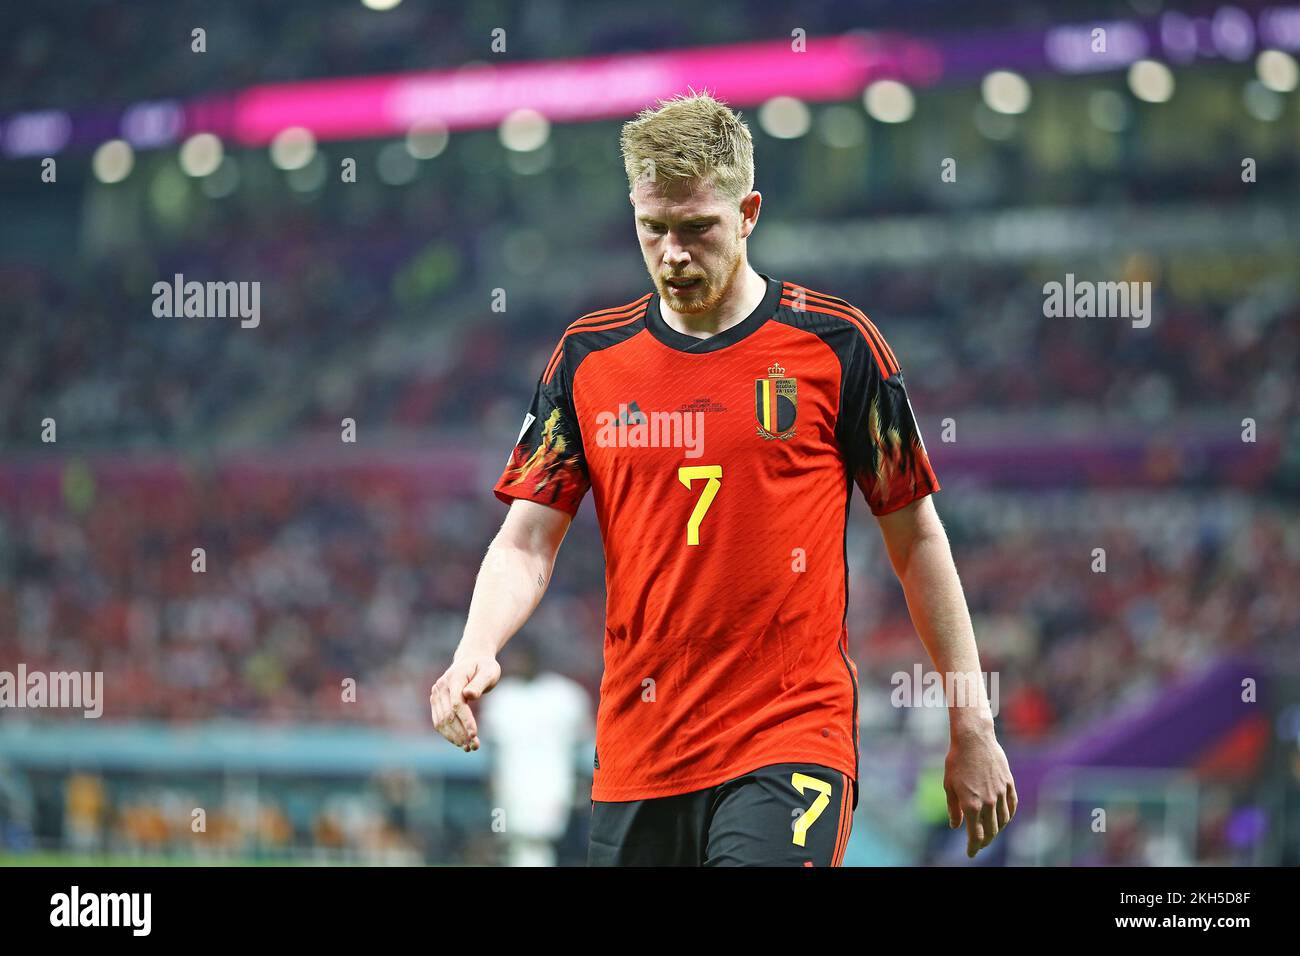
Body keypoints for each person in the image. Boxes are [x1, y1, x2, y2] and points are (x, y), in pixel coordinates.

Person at [431, 90, 1016, 866]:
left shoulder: (837, 347)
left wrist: (971, 720)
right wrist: (476, 645)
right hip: (639, 751)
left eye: (697, 228)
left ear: (748, 213)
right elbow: (526, 542)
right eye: (653, 229)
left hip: (789, 736)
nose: (673, 252)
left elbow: (916, 537)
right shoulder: (587, 361)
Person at [479, 640, 592, 866]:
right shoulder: (501, 698)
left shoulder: (565, 695)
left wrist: (581, 783)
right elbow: (492, 748)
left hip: (554, 784)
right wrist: (491, 782)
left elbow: (582, 743)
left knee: (542, 840)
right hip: (512, 785)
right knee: (518, 842)